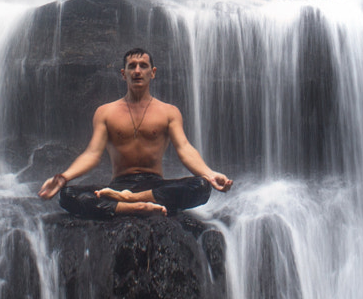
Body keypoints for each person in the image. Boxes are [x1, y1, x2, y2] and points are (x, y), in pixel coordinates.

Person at [39, 47, 232, 217]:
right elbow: (92, 154)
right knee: (67, 195)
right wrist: (62, 178)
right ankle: (135, 207)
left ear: (153, 72)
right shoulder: (105, 112)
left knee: (201, 186)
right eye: (132, 66)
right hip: (118, 185)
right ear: (123, 74)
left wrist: (210, 174)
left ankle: (130, 201)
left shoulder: (169, 112)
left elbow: (184, 148)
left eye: (143, 66)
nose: (137, 71)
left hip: (155, 186)